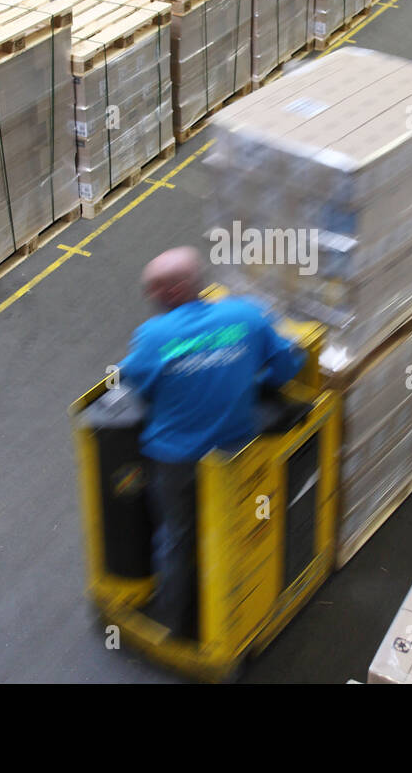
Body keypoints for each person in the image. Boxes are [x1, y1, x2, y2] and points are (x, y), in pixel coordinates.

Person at [119, 246, 305, 639]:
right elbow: (289, 362)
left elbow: (135, 383)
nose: (150, 298)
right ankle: (236, 606)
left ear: (172, 292)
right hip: (236, 449)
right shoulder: (246, 313)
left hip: (176, 459)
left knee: (175, 535)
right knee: (235, 526)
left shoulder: (154, 336)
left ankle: (173, 621)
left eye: (153, 290)